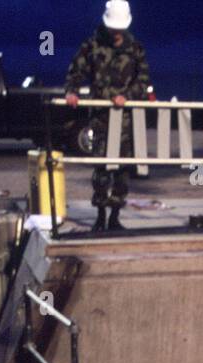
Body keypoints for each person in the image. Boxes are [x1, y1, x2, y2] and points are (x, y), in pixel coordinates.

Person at [64, 1, 154, 232]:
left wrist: (127, 95)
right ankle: (100, 215)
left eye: (119, 29)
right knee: (102, 168)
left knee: (123, 169)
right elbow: (76, 71)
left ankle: (115, 215)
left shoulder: (135, 48)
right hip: (101, 118)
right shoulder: (92, 45)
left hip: (126, 119)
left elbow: (143, 81)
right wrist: (72, 91)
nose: (116, 33)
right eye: (113, 29)